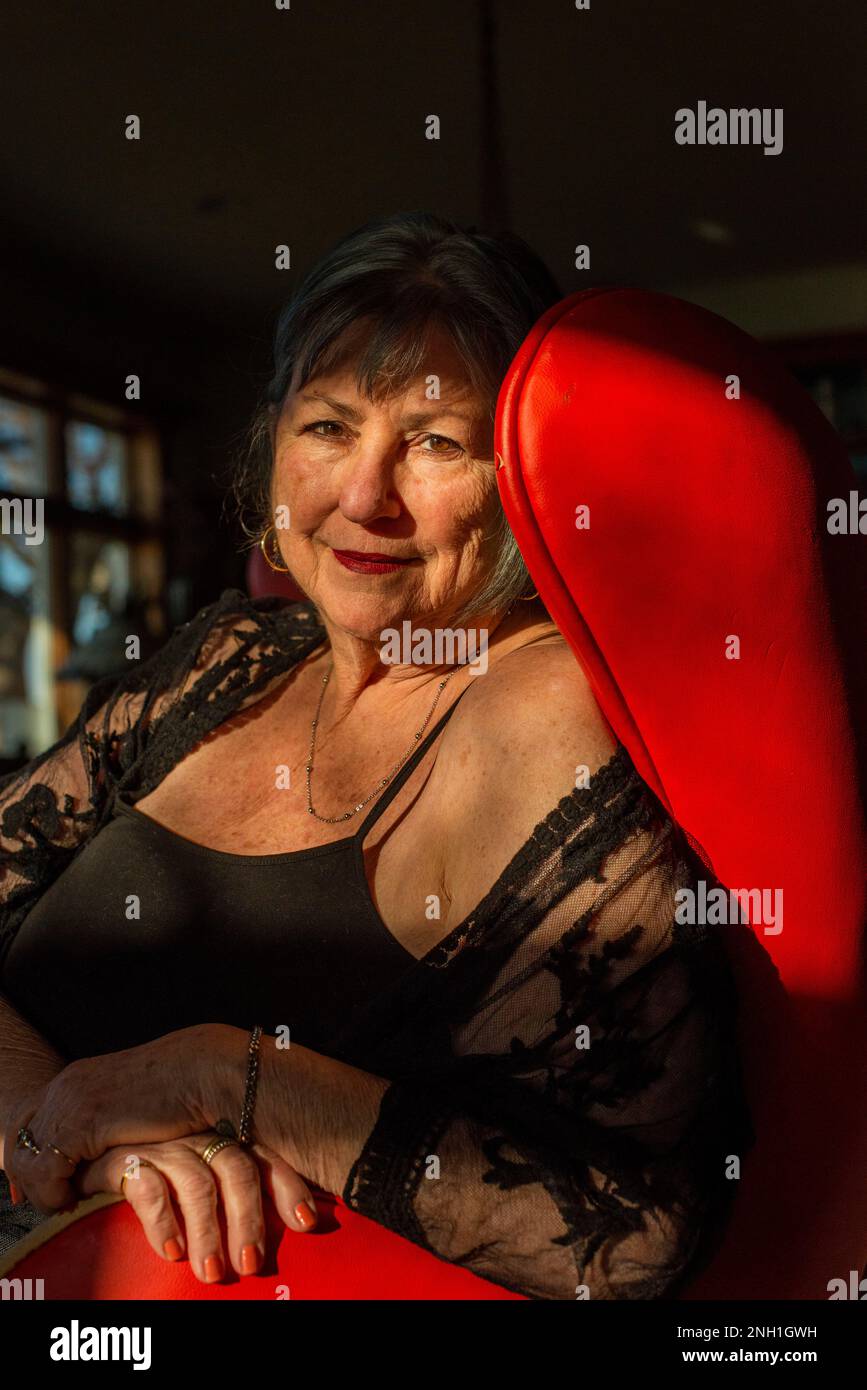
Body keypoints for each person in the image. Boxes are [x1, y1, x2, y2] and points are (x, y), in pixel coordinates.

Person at [0, 211, 751, 1299]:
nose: (363, 496)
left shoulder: (539, 711)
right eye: (328, 427)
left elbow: (633, 1231)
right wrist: (63, 1134)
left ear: (526, 479)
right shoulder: (233, 650)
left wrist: (235, 1076)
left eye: (437, 442)